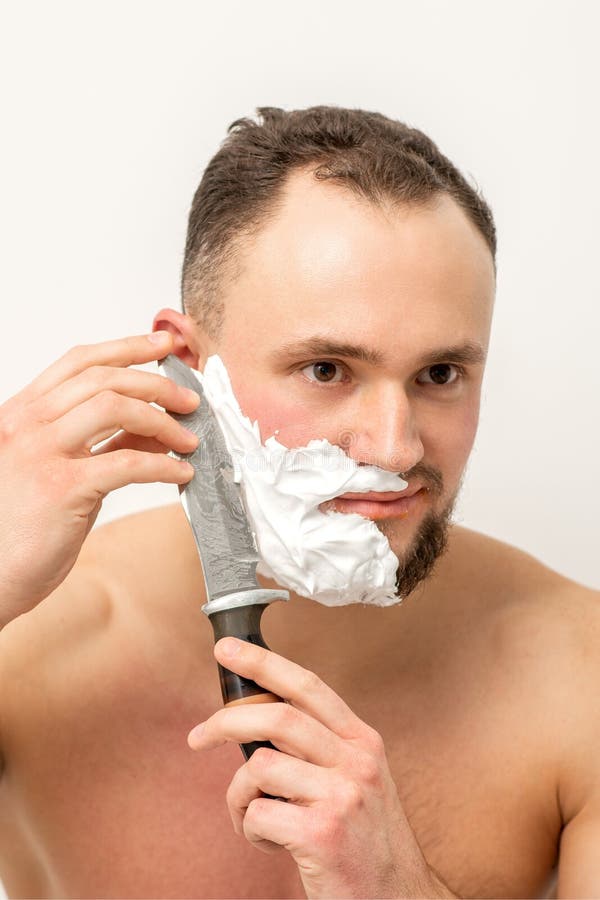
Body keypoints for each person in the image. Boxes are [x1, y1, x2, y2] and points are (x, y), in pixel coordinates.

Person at [0, 106, 597, 900]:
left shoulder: (581, 675)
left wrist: (399, 888)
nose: (395, 449)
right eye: (326, 370)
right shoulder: (26, 651)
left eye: (440, 375)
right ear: (190, 367)